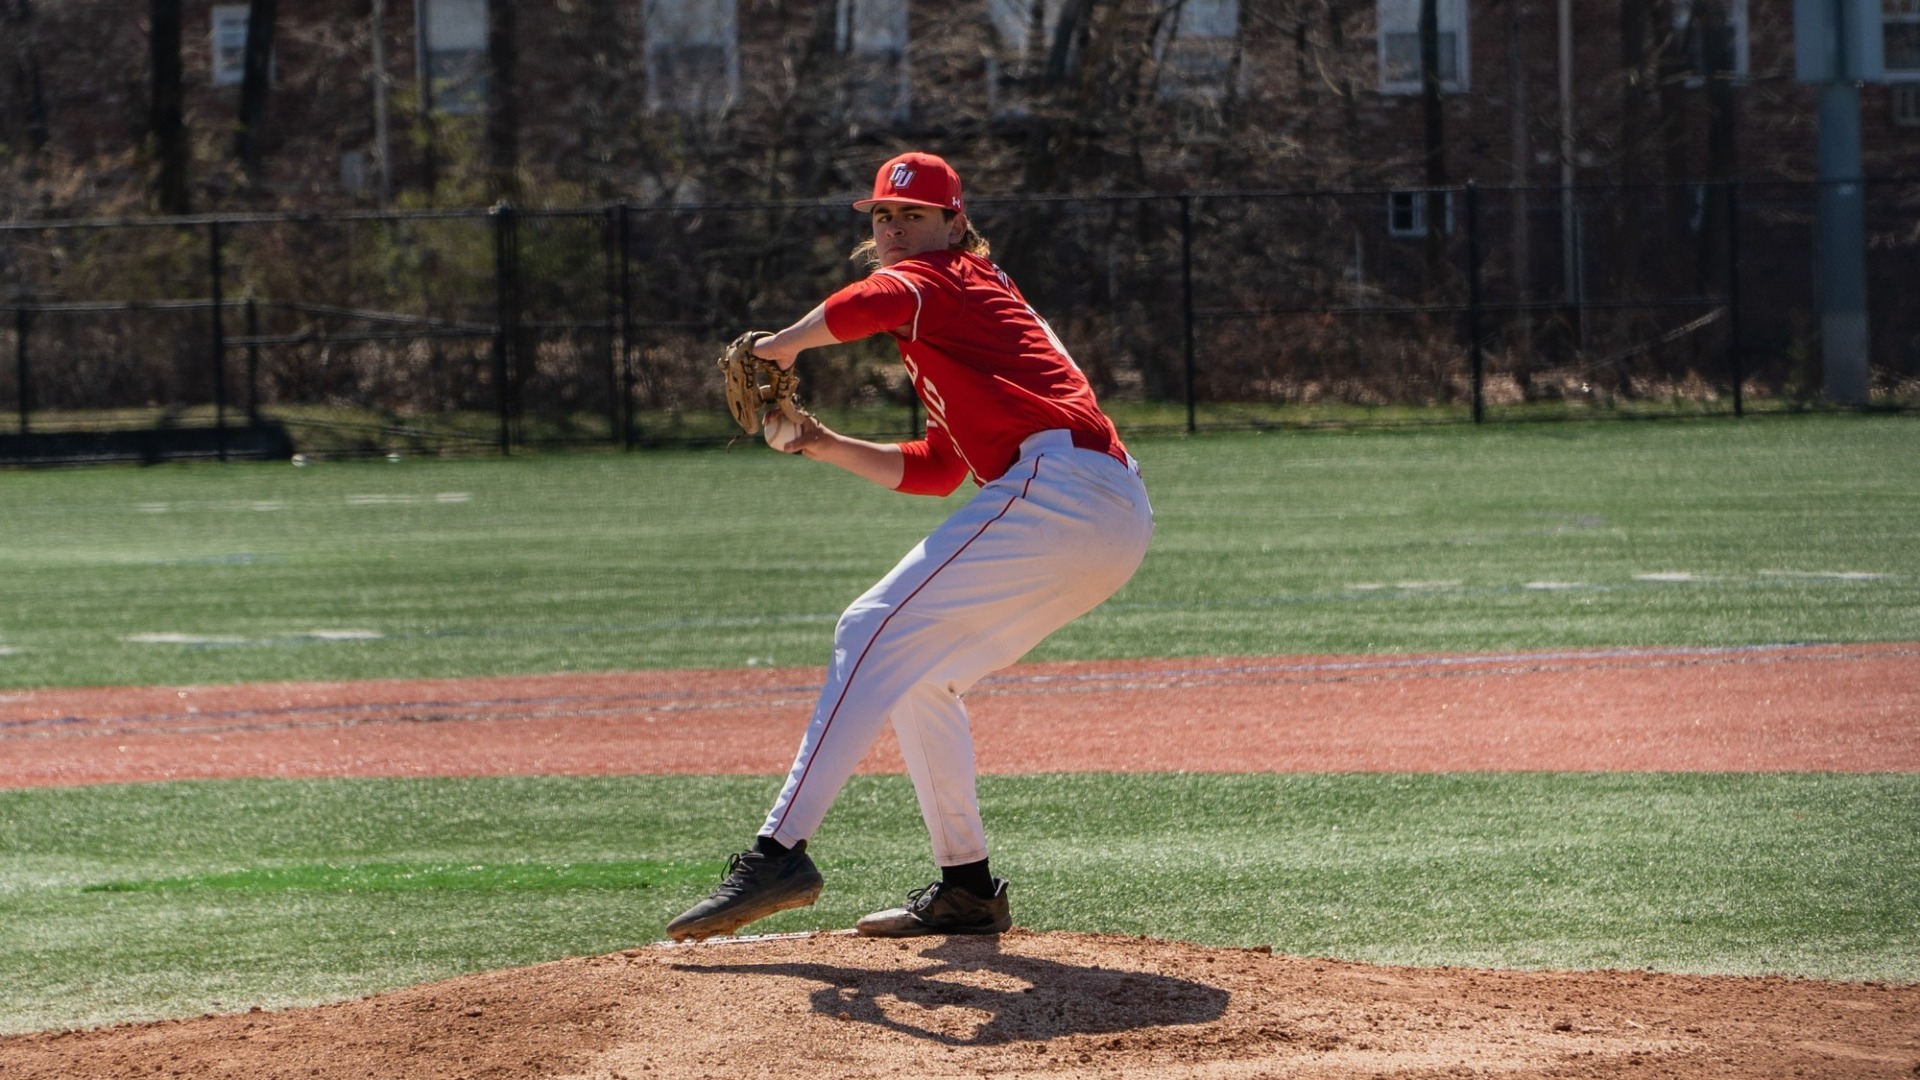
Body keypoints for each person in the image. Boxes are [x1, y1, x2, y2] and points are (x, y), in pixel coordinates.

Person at [666, 151, 1153, 941]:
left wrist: (779, 345)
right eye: (884, 217)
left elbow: (875, 300)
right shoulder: (949, 324)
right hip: (1101, 511)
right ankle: (968, 889)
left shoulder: (947, 280)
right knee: (924, 676)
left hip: (1065, 488)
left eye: (915, 215)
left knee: (868, 625)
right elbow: (937, 469)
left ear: (955, 225)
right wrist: (823, 443)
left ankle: (777, 853)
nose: (895, 229)